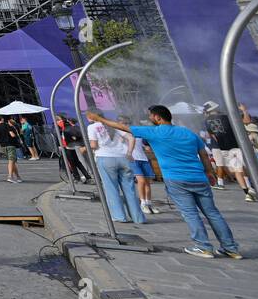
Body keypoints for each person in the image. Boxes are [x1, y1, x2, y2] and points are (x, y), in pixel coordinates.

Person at [88, 106, 241, 260]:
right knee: (213, 213)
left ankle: (203, 246)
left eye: (151, 116)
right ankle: (230, 248)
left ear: (157, 118)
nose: (150, 118)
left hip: (176, 179)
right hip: (199, 178)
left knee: (191, 213)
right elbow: (203, 155)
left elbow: (122, 127)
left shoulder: (155, 132)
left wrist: (99, 119)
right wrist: (209, 172)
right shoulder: (188, 133)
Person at [87, 114, 145, 224]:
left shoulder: (92, 127)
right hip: (123, 158)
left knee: (111, 189)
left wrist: (85, 148)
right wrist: (129, 152)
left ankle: (119, 216)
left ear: (92, 117)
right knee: (130, 189)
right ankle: (138, 218)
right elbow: (131, 137)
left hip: (105, 157)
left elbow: (94, 145)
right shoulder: (113, 124)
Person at [204, 104, 256, 203]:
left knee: (237, 170)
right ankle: (251, 188)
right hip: (237, 146)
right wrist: (244, 111)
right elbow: (247, 122)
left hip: (224, 148)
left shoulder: (207, 121)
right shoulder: (227, 117)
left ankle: (247, 192)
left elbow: (212, 136)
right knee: (245, 167)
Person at [128, 126, 158, 215]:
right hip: (134, 159)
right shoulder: (124, 135)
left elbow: (146, 145)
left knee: (148, 183)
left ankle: (149, 203)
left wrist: (147, 147)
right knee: (141, 181)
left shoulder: (140, 135)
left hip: (144, 159)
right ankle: (143, 203)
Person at [0, 117, 24, 184]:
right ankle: (10, 177)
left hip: (2, 146)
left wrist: (1, 137)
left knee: (12, 162)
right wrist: (15, 135)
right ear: (1, 119)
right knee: (11, 161)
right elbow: (12, 135)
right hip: (10, 145)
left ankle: (18, 177)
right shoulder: (6, 125)